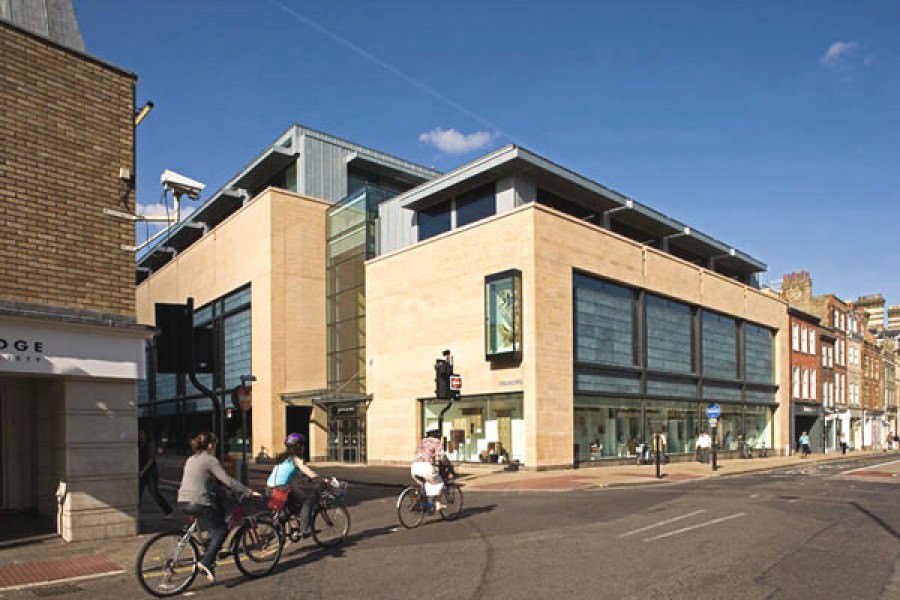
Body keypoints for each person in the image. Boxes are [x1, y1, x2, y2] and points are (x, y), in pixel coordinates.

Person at [177, 432, 259, 583]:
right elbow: (227, 480)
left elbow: (207, 482)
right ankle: (206, 561)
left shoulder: (191, 459)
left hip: (182, 500)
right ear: (210, 445)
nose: (215, 447)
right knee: (221, 530)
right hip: (199, 502)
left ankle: (210, 549)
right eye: (214, 444)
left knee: (219, 514)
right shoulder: (210, 460)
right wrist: (247, 491)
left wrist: (224, 493)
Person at [266, 432, 321, 538]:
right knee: (306, 501)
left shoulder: (283, 458)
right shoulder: (296, 459)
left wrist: (308, 479)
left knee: (292, 505)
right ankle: (304, 529)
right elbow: (306, 470)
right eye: (303, 445)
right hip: (282, 488)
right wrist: (319, 479)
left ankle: (280, 522)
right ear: (298, 446)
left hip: (269, 488)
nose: (304, 448)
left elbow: (300, 474)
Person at [411, 429, 453, 511]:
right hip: (426, 467)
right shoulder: (436, 442)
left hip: (414, 467)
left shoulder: (422, 442)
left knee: (425, 484)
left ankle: (420, 500)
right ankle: (438, 504)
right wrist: (448, 465)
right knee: (440, 482)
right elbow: (442, 457)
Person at [139, 430, 173, 517]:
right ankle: (136, 512)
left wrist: (142, 472)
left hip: (150, 471)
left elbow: (151, 459)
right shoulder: (137, 444)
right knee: (138, 494)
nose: (140, 435)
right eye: (139, 433)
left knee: (154, 492)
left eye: (142, 433)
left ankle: (168, 510)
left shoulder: (150, 444)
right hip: (141, 471)